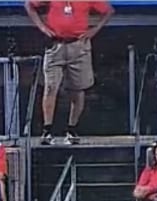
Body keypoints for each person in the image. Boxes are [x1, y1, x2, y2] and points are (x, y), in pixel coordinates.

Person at [24, 0, 111, 146]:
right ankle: (47, 130)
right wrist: (42, 28)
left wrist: (93, 31)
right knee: (51, 87)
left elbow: (108, 11)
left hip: (78, 46)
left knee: (77, 90)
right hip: (55, 45)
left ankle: (72, 129)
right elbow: (29, 5)